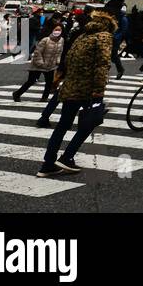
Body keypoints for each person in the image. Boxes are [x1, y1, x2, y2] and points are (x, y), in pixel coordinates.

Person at [37, 10, 116, 177]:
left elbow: (68, 59)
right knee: (88, 124)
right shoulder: (104, 37)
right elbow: (102, 65)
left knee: (62, 125)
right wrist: (99, 90)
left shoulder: (83, 35)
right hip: (88, 89)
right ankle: (67, 157)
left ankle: (48, 164)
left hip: (71, 86)